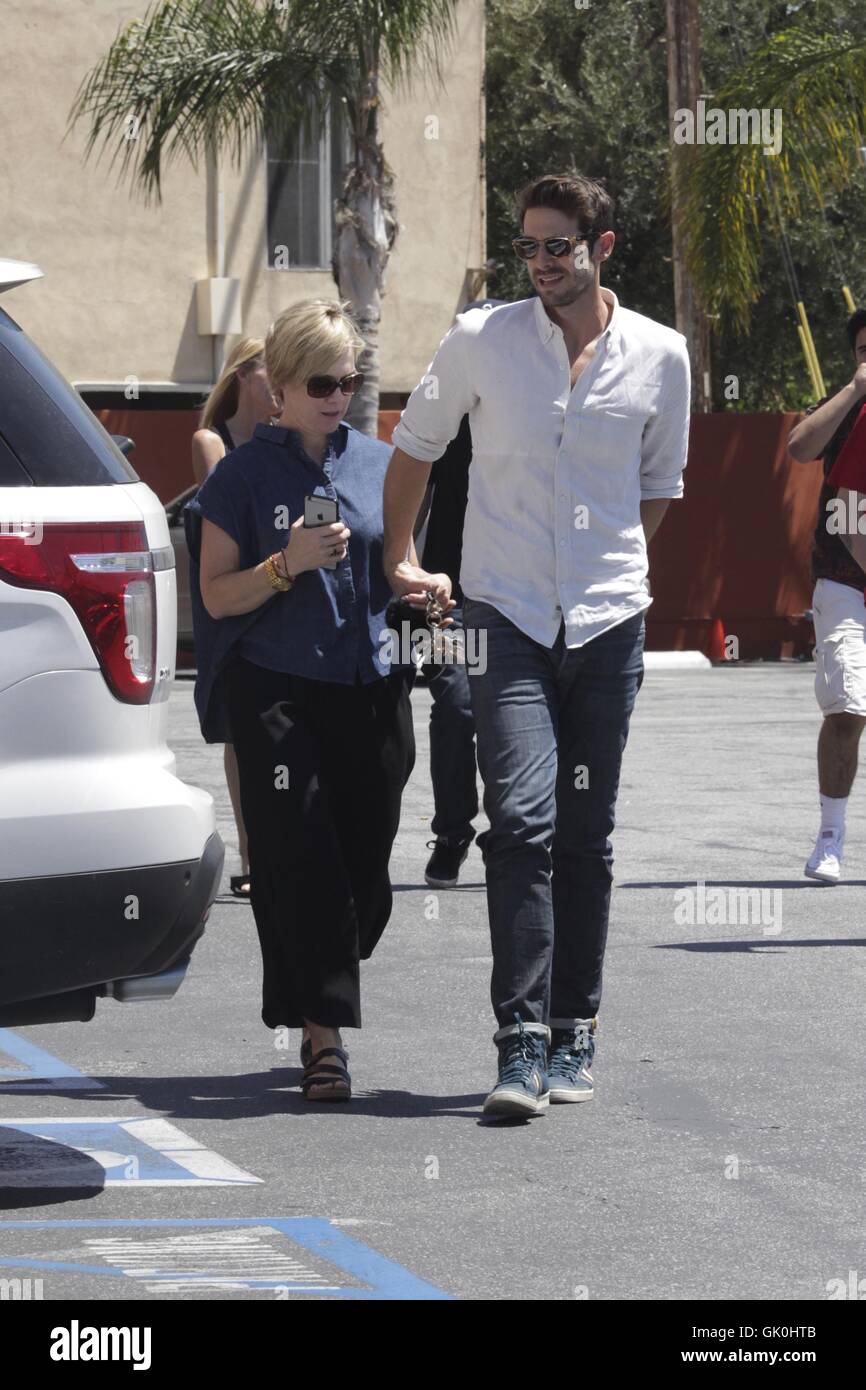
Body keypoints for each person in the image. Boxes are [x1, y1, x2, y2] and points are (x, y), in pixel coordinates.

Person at [383, 172, 690, 1119]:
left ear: (603, 247)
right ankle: (518, 1045)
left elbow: (658, 490)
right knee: (519, 822)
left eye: (560, 245)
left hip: (606, 625)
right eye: (529, 245)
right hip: (502, 617)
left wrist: (606, 571)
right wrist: (401, 556)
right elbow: (416, 447)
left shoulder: (662, 357)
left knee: (586, 835)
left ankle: (574, 1030)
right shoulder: (481, 341)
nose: (542, 262)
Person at [187, 299, 418, 1101]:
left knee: (365, 871)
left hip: (371, 682)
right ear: (278, 385)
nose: (337, 395)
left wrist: (423, 586)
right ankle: (323, 1042)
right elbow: (216, 597)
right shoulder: (240, 476)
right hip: (278, 692)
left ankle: (319, 975)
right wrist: (286, 564)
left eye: (347, 380)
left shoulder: (384, 464)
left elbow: (402, 564)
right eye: (320, 381)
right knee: (301, 863)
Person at [188, 338, 277, 900]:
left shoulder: (280, 437)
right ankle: (251, 853)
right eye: (278, 370)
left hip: (275, 585)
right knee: (242, 734)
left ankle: (281, 847)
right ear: (245, 375)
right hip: (229, 589)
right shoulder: (211, 439)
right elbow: (229, 502)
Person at [788, 307, 866, 884]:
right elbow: (798, 447)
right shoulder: (847, 407)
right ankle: (830, 838)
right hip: (844, 580)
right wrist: (854, 388)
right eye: (863, 350)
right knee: (846, 709)